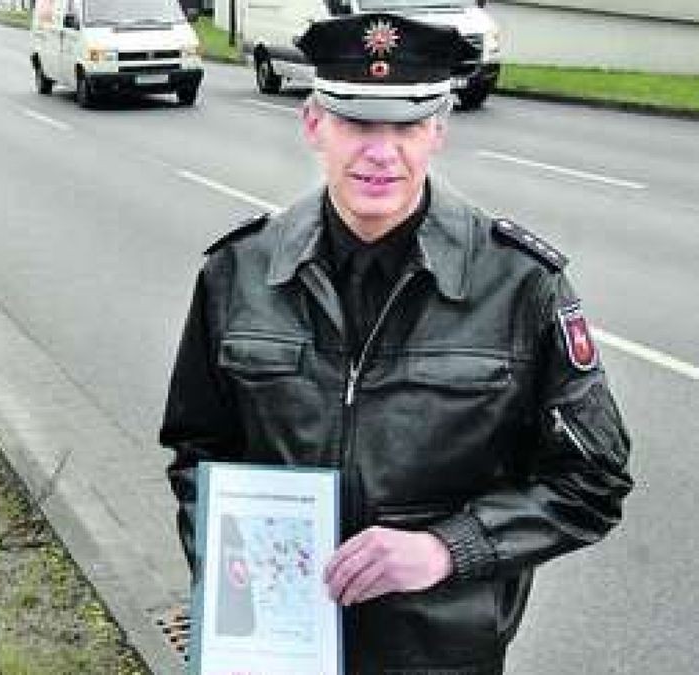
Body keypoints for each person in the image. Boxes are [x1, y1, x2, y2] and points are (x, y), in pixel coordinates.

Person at [159, 13, 633, 674]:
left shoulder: (520, 284)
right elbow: (199, 451)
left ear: (438, 130)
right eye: (356, 122)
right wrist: (236, 571)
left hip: (439, 654)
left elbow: (593, 480)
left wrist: (449, 547)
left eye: (407, 124)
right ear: (314, 125)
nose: (381, 152)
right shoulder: (237, 272)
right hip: (277, 648)